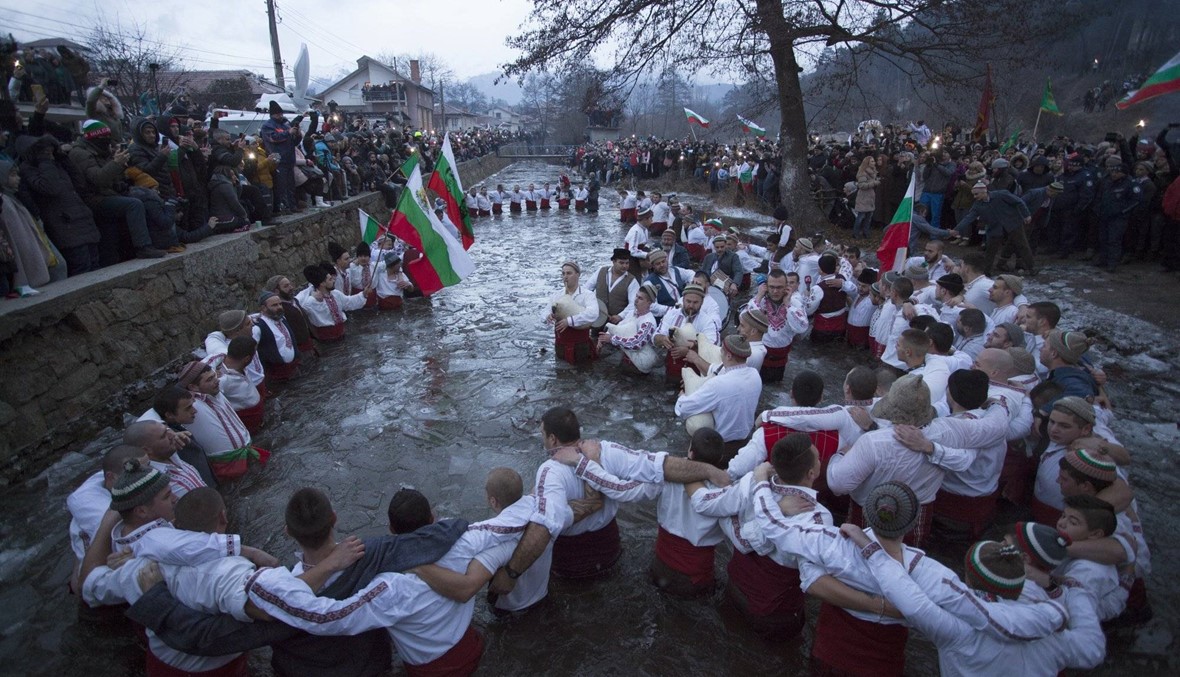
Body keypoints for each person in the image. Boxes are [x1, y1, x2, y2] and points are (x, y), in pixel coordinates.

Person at [245, 488, 487, 676]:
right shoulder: (371, 557)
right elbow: (422, 541)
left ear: (288, 531)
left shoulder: (275, 590)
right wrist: (459, 525)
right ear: (334, 518)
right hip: (373, 666)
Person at [490, 407, 729, 592]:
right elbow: (658, 465)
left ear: (552, 439)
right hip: (608, 545)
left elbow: (544, 525)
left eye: (542, 433)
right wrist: (708, 470)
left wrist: (512, 572)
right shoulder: (604, 449)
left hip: (572, 558)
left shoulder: (549, 470)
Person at [844, 525, 1105, 677]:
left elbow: (914, 603)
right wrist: (1073, 594)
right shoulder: (1051, 631)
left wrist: (872, 549)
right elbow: (1092, 650)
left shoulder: (959, 630)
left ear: (968, 577)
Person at [828, 374, 1008, 547]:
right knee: (908, 563)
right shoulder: (948, 430)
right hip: (917, 515)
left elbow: (838, 484)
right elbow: (993, 431)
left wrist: (841, 455)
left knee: (857, 563)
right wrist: (997, 404)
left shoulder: (872, 441)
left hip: (870, 513)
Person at [175, 360, 267, 481]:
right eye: (209, 379)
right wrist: (168, 430)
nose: (216, 380)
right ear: (193, 387)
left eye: (214, 376)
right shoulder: (189, 406)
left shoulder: (215, 390)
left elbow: (218, 357)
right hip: (225, 466)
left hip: (248, 452)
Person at [674, 334, 762, 448]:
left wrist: (682, 396)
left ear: (729, 356)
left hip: (721, 445)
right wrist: (697, 359)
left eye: (722, 352)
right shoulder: (755, 375)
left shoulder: (718, 384)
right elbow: (719, 370)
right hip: (746, 440)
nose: (720, 354)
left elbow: (684, 408)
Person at [954, 181, 1037, 276]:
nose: (975, 197)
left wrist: (1026, 215)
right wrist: (957, 229)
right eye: (974, 195)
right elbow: (969, 217)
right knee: (991, 249)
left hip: (1013, 223)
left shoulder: (1001, 194)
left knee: (1022, 245)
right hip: (995, 228)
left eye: (976, 194)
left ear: (984, 191)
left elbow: (1018, 202)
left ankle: (1031, 268)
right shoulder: (977, 205)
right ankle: (986, 271)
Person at [747, 269, 815, 383]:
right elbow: (745, 318)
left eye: (779, 287)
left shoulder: (794, 303)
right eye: (771, 287)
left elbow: (802, 327)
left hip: (780, 359)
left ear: (786, 287)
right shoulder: (761, 301)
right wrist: (758, 296)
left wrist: (788, 304)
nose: (775, 291)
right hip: (759, 356)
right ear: (766, 286)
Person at [546, 260, 600, 364]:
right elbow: (545, 310)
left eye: (569, 273)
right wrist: (547, 316)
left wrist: (569, 321)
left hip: (580, 346)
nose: (565, 277)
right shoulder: (557, 295)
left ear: (578, 275)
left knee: (581, 374)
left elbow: (593, 313)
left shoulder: (587, 295)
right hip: (560, 344)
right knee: (561, 373)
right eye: (563, 273)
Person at [299, 263, 369, 342]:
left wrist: (363, 294)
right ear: (322, 283)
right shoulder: (311, 301)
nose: (333, 280)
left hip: (341, 334)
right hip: (326, 340)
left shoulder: (336, 294)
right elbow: (301, 311)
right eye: (330, 279)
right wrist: (312, 297)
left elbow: (349, 302)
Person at [254, 290, 300, 382]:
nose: (279, 307)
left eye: (280, 304)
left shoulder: (282, 318)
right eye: (274, 305)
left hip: (293, 370)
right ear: (263, 308)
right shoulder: (258, 327)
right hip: (277, 376)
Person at [586, 248, 638, 325]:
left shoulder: (632, 281)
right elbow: (587, 290)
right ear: (613, 262)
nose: (625, 266)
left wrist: (620, 316)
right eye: (621, 263)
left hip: (618, 324)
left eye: (627, 263)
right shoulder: (601, 271)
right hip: (597, 319)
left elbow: (634, 304)